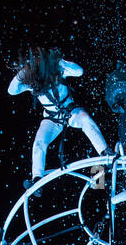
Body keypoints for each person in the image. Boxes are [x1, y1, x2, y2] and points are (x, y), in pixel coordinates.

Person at [8, 47, 111, 185]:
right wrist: (22, 73)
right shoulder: (32, 82)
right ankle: (37, 178)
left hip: (70, 112)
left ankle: (105, 153)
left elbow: (79, 71)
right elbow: (12, 91)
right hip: (52, 119)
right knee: (39, 142)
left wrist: (60, 62)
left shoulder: (57, 70)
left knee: (86, 120)